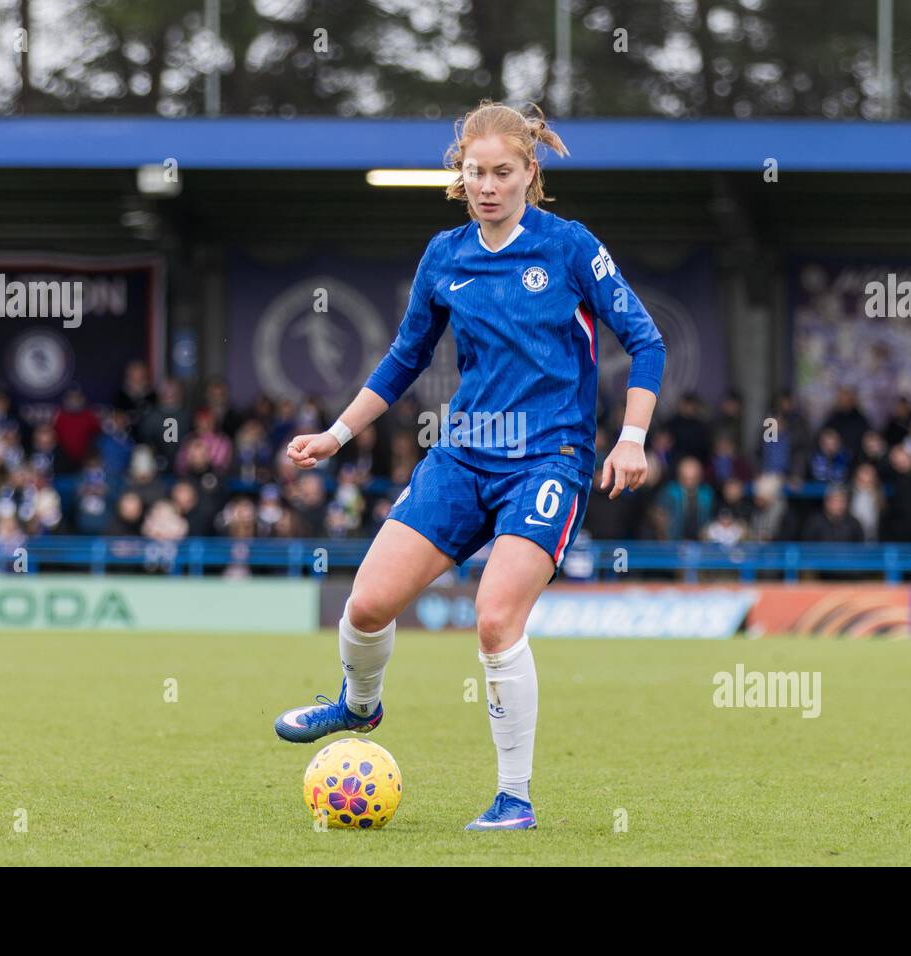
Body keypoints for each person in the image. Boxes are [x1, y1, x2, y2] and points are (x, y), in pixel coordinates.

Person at [271, 101, 666, 831]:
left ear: (529, 174)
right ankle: (358, 706)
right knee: (366, 605)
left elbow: (646, 341)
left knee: (494, 619)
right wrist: (335, 433)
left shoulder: (570, 247)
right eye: (474, 171)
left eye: (502, 172)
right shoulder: (445, 255)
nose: (486, 184)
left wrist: (632, 434)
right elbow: (404, 357)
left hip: (549, 459)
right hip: (462, 455)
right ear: (460, 173)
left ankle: (514, 797)